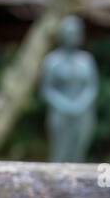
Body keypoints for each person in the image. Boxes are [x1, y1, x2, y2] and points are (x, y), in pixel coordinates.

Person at [40, 15, 98, 162]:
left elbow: (92, 87)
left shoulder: (86, 60)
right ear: (62, 34)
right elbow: (46, 89)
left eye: (77, 32)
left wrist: (80, 105)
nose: (74, 36)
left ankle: (79, 184)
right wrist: (65, 106)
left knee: (79, 155)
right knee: (60, 154)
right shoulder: (52, 61)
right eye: (70, 32)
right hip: (60, 115)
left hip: (83, 115)